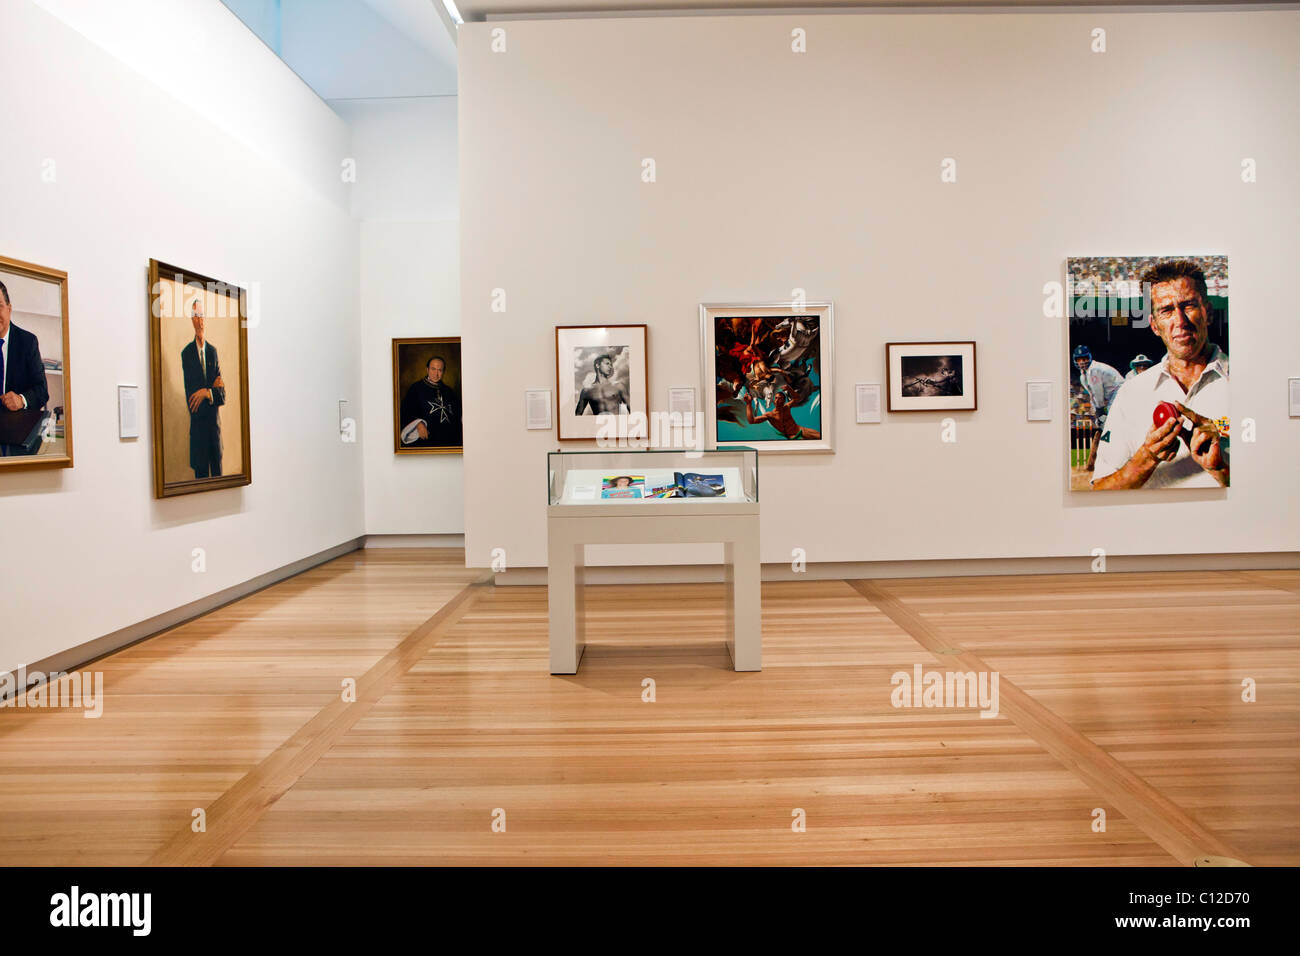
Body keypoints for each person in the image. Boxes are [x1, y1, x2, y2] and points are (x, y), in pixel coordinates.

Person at [1092, 260, 1228, 489]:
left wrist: (1221, 470)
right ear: (1154, 325)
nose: (1180, 321)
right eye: (1167, 310)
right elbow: (1100, 490)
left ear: (1209, 314)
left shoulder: (1247, 382)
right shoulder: (1132, 393)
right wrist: (1147, 457)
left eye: (1188, 305)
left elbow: (1280, 482)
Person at [180, 300, 226, 478]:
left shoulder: (213, 352)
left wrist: (206, 393)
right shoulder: (187, 354)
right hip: (199, 438)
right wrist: (212, 391)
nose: (199, 321)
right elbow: (192, 403)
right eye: (196, 316)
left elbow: (222, 396)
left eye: (201, 316)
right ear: (192, 320)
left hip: (214, 436)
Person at [0, 278, 50, 414]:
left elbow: (42, 391)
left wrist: (21, 400)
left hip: (16, 429)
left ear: (9, 309)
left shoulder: (27, 342)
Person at [1071, 344, 1124, 470]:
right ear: (1075, 360)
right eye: (1079, 359)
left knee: (1110, 424)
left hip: (1120, 392)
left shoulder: (1095, 370)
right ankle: (1108, 457)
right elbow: (1092, 396)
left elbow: (1098, 393)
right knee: (1104, 423)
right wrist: (1097, 414)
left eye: (1084, 359)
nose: (1082, 362)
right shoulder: (1083, 376)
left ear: (1089, 358)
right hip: (1111, 396)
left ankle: (1115, 456)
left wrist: (1101, 412)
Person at [401, 355, 462, 447]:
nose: (436, 374)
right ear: (427, 369)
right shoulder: (416, 388)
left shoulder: (449, 391)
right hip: (427, 437)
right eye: (433, 369)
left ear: (443, 372)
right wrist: (418, 424)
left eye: (439, 370)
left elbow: (459, 413)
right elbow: (407, 410)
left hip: (449, 438)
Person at [742, 390, 820, 440]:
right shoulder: (770, 415)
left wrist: (789, 389)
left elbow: (797, 398)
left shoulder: (787, 407)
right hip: (792, 436)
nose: (777, 400)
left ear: (783, 401)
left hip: (801, 430)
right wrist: (748, 403)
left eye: (780, 398)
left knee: (819, 437)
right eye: (776, 398)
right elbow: (751, 421)